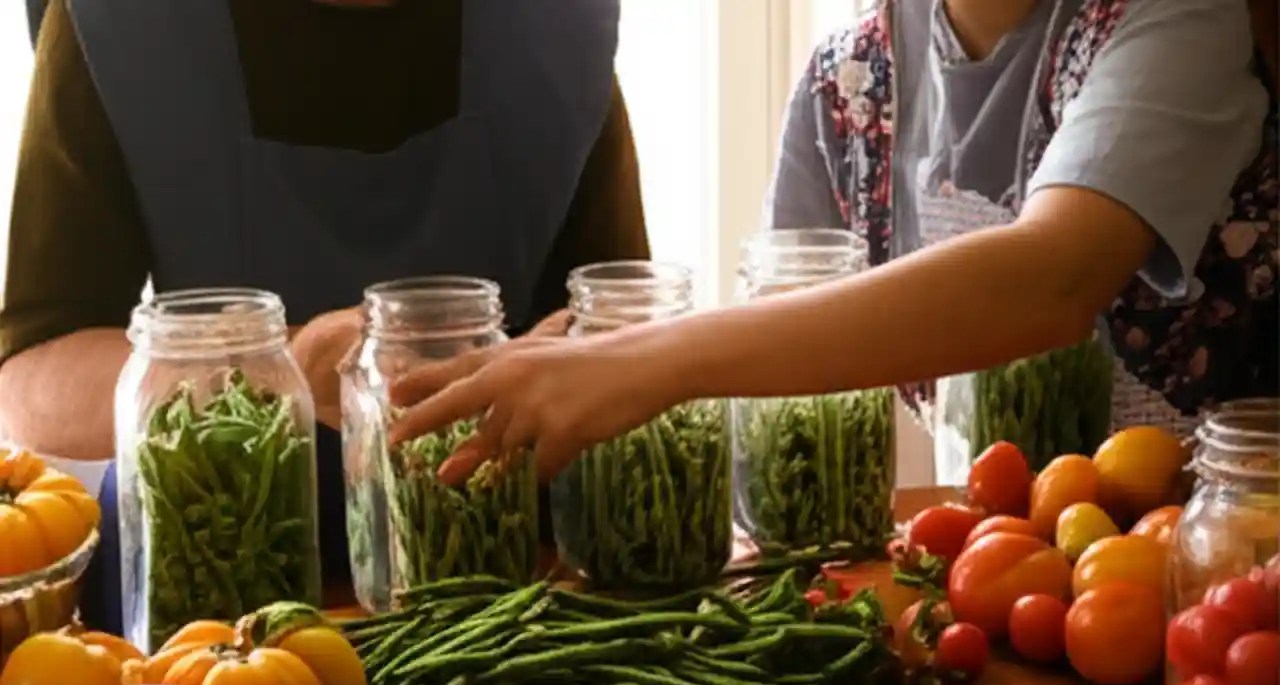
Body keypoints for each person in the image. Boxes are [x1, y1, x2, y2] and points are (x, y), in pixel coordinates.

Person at [388, 0, 1277, 483]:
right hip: (1000, 575)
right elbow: (790, 347)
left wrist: (646, 361)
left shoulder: (1182, 20)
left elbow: (1050, 279)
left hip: (1211, 576)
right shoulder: (847, 80)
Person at [0, 0, 648, 621]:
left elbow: (620, 338)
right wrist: (278, 368)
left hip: (499, 598)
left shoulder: (559, 25)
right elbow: (30, 379)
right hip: (220, 601)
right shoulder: (115, 23)